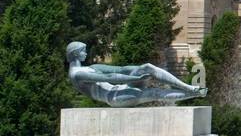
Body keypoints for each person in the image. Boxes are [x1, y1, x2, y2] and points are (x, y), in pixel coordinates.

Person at [66, 41, 206, 107]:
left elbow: (120, 69)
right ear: (76, 53)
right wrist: (136, 78)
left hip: (121, 89)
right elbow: (109, 78)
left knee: (147, 67)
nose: (86, 53)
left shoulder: (91, 66)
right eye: (83, 50)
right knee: (155, 93)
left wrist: (140, 69)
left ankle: (189, 88)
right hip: (114, 97)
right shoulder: (77, 74)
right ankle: (197, 93)